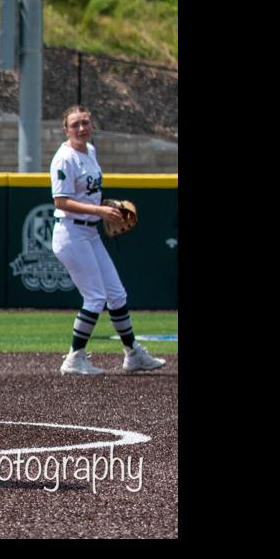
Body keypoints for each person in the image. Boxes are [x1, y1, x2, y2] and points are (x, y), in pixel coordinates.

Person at [48, 104, 167, 376]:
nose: (81, 128)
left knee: (116, 294)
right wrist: (100, 210)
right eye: (75, 124)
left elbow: (86, 194)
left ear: (92, 126)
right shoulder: (64, 158)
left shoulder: (89, 151)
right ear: (66, 129)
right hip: (70, 233)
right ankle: (74, 359)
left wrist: (104, 209)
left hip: (89, 232)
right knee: (95, 297)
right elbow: (62, 201)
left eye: (86, 122)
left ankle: (133, 354)